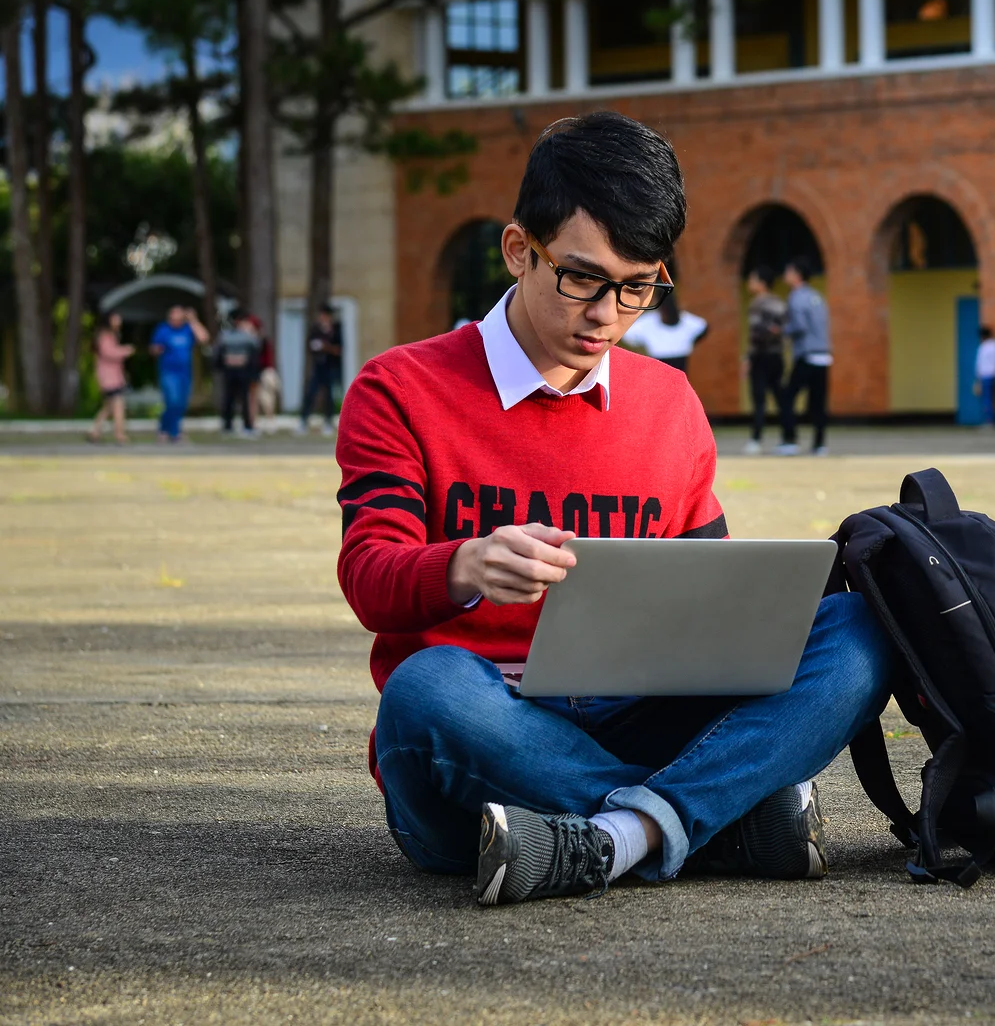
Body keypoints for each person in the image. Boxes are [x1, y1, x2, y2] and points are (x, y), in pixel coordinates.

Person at [336, 112, 890, 906]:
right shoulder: (399, 390)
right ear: (520, 251)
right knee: (426, 690)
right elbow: (369, 577)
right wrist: (463, 562)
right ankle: (711, 821)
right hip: (487, 734)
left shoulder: (668, 401)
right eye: (582, 278)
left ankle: (614, 839)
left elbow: (717, 602)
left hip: (638, 710)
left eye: (638, 286)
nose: (607, 314)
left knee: (861, 629)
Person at [777, 261, 831, 457]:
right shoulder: (817, 296)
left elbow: (799, 326)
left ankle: (790, 440)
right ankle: (819, 444)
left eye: (788, 271)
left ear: (797, 275)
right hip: (824, 356)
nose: (785, 274)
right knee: (818, 402)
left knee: (787, 397)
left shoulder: (796, 297)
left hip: (806, 355)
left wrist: (781, 330)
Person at [148, 305, 210, 443]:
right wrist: (157, 350)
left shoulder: (187, 330)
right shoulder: (163, 330)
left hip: (185, 373)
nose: (174, 320)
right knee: (172, 401)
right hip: (168, 372)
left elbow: (204, 338)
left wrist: (193, 320)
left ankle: (164, 430)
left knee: (181, 403)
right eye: (172, 317)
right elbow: (153, 349)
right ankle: (175, 433)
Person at [743, 268, 788, 455]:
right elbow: (782, 329)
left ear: (761, 283)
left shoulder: (757, 304)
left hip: (760, 357)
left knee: (759, 400)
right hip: (777, 356)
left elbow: (757, 335)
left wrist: (748, 358)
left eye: (752, 279)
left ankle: (756, 439)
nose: (749, 283)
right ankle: (788, 438)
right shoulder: (780, 303)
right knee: (781, 398)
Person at [619, 291, 708, 372]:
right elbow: (703, 327)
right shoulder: (647, 323)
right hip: (663, 363)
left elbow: (703, 327)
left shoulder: (688, 322)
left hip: (674, 363)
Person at [87, 312, 135, 445]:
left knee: (108, 407)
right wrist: (125, 351)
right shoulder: (105, 336)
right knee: (118, 405)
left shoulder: (112, 336)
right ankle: (120, 434)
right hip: (109, 377)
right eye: (115, 319)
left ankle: (94, 431)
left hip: (114, 377)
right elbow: (108, 353)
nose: (119, 321)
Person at [215, 311, 261, 437]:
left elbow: (256, 350)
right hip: (230, 371)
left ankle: (247, 426)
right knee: (228, 399)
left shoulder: (249, 336)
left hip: (244, 371)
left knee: (245, 399)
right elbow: (219, 352)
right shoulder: (225, 335)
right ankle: (227, 426)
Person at [300, 304, 343, 434]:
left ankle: (328, 422)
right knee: (311, 393)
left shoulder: (336, 329)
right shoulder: (315, 329)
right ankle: (303, 420)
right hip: (318, 366)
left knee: (329, 395)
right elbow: (310, 346)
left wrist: (324, 347)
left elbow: (338, 349)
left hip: (330, 367)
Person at [974, 325, 995, 429]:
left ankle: (989, 421)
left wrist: (977, 379)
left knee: (986, 399)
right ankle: (991, 420)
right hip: (994, 374)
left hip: (985, 375)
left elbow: (979, 363)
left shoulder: (983, 347)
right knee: (992, 398)